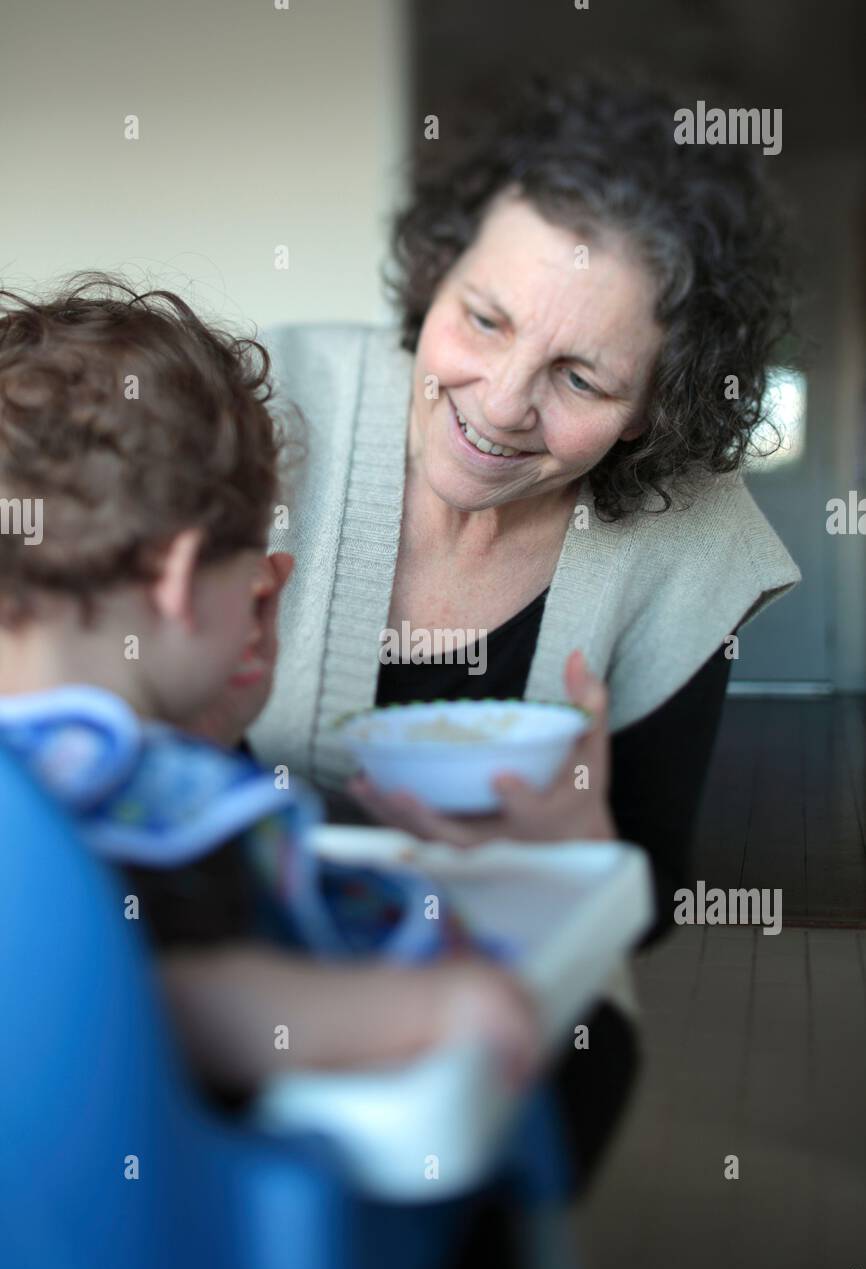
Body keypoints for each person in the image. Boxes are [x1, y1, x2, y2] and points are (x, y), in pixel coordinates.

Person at [246, 73, 802, 1186]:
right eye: (483, 317)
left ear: (655, 404)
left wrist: (578, 854)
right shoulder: (266, 411)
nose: (500, 402)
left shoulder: (691, 541)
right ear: (435, 273)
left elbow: (642, 892)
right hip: (242, 950)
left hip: (516, 997)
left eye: (581, 375)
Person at [0, 276, 542, 1104]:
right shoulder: (158, 813)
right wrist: (439, 1003)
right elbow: (173, 999)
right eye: (249, 559)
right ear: (183, 579)